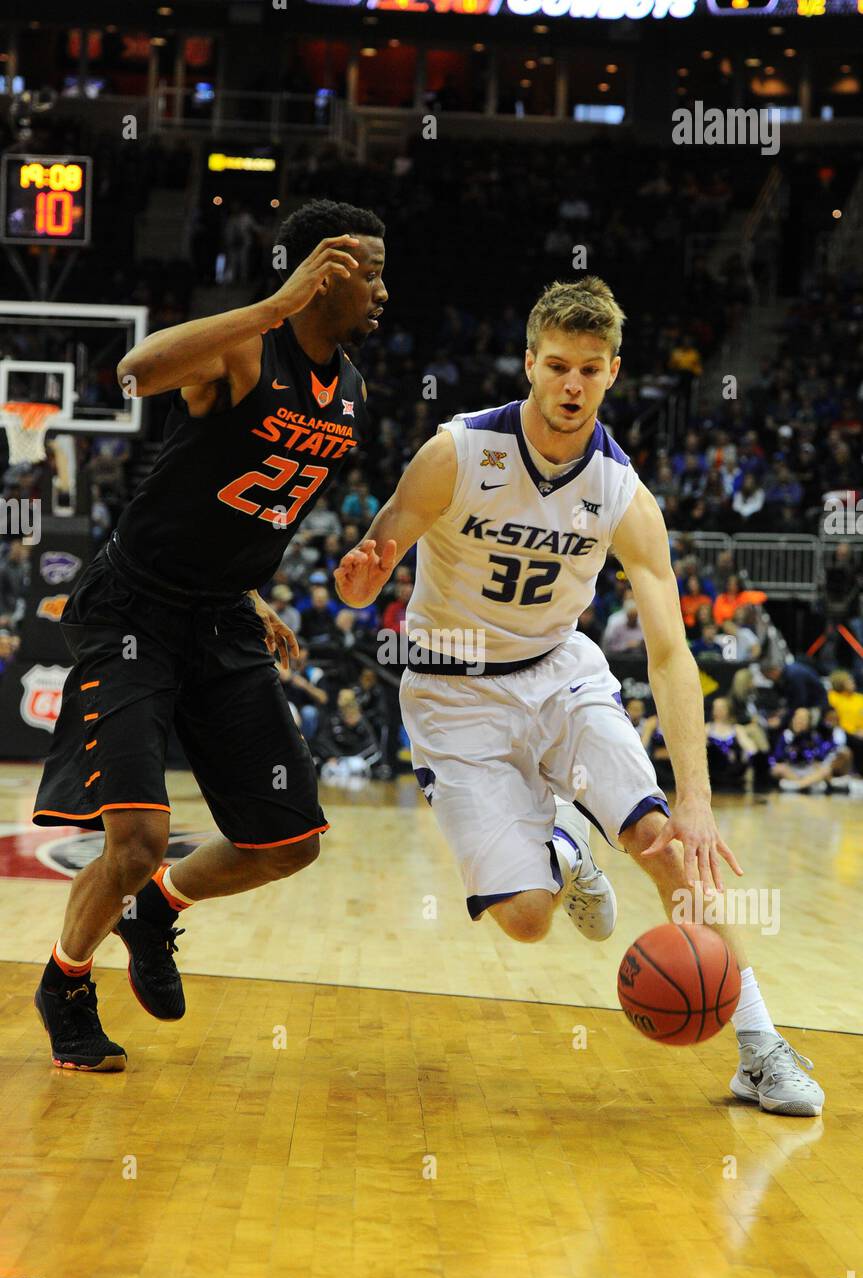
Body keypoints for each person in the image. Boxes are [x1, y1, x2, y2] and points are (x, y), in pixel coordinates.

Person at [335, 275, 823, 1117]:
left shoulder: (624, 497)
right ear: (528, 363)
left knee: (668, 845)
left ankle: (757, 1047)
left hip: (561, 670)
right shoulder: (456, 453)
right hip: (452, 695)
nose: (570, 385)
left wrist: (695, 799)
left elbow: (670, 655)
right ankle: (562, 851)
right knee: (525, 919)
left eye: (589, 369)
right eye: (556, 365)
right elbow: (364, 573)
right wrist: (357, 583)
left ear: (612, 373)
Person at [31, 198, 388, 1072]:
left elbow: (261, 503)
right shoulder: (241, 347)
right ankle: (66, 983)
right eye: (369, 272)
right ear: (322, 276)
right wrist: (276, 302)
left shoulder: (352, 390)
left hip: (222, 614)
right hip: (134, 613)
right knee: (135, 837)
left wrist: (254, 597)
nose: (384, 290)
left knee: (289, 842)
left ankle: (158, 910)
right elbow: (133, 370)